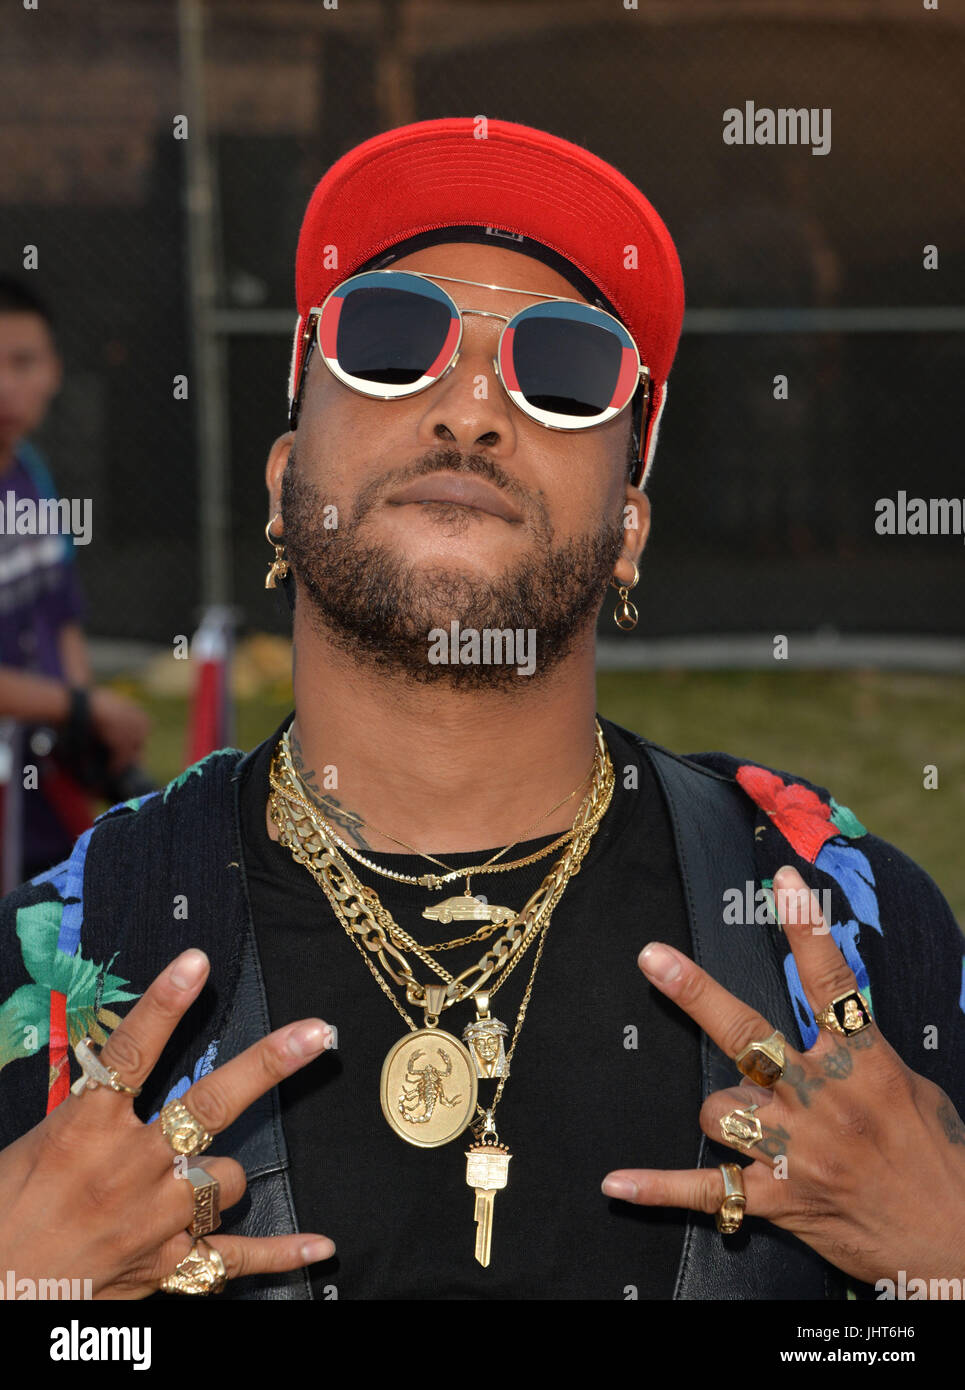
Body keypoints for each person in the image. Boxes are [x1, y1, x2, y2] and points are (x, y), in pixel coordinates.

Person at [0, 119, 962, 1303]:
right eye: (393, 343)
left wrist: (940, 1255)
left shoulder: (844, 932)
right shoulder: (61, 954)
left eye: (558, 370)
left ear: (628, 533)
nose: (469, 409)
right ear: (280, 482)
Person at [0, 278, 151, 883]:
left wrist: (86, 731)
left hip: (40, 789)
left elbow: (60, 614)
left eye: (24, 361)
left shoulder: (30, 471)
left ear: (56, 370)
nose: (7, 384)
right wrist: (82, 707)